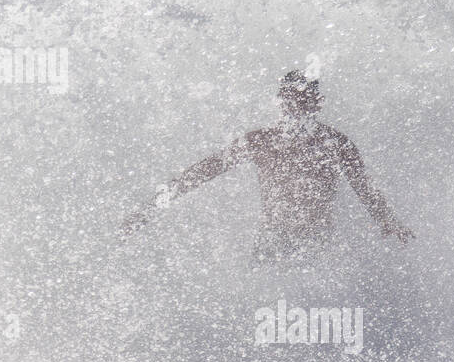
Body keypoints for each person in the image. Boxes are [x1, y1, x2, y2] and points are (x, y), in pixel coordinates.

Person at [123, 71, 413, 260]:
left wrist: (391, 225)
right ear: (280, 104)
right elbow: (202, 172)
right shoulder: (260, 141)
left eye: (303, 100)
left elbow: (366, 192)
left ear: (317, 103)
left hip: (315, 245)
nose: (296, 107)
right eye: (291, 100)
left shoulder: (336, 143)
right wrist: (149, 208)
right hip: (271, 243)